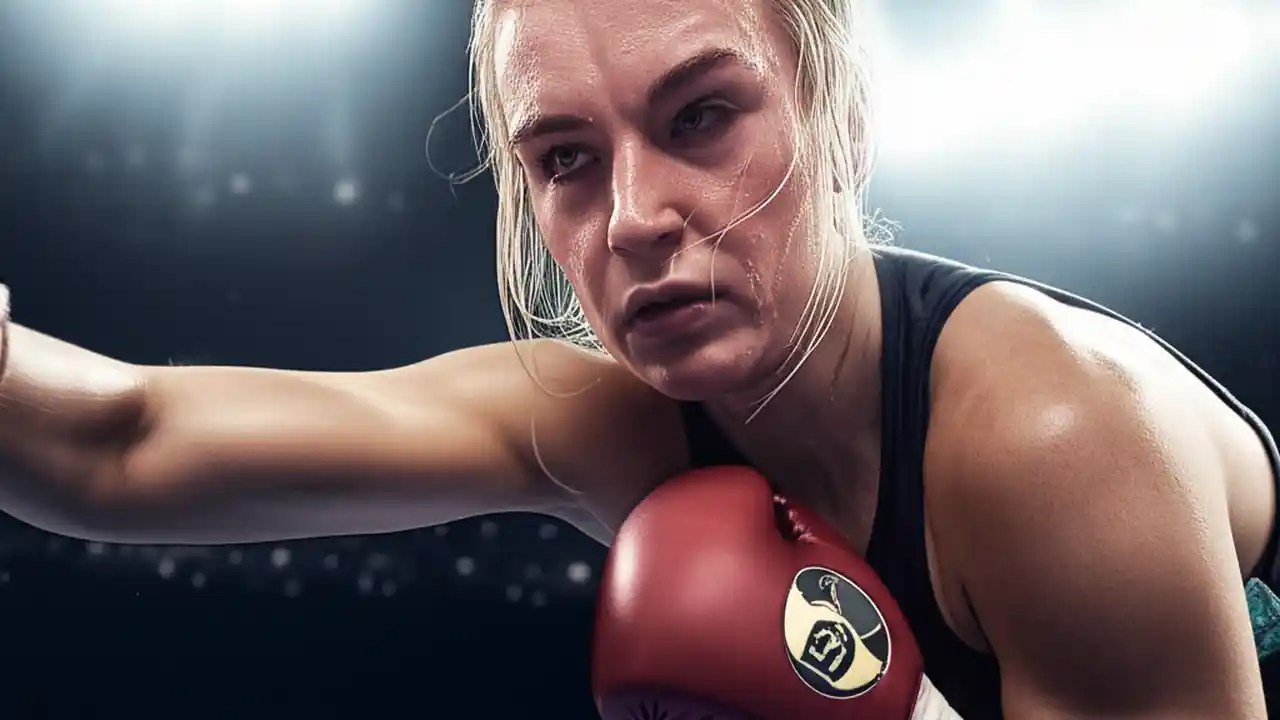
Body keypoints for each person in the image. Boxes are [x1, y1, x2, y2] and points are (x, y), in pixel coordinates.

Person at [0, 0, 1274, 717]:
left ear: (835, 115)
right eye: (564, 158)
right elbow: (124, 442)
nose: (629, 220)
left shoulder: (1057, 436)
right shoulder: (608, 423)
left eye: (700, 117)